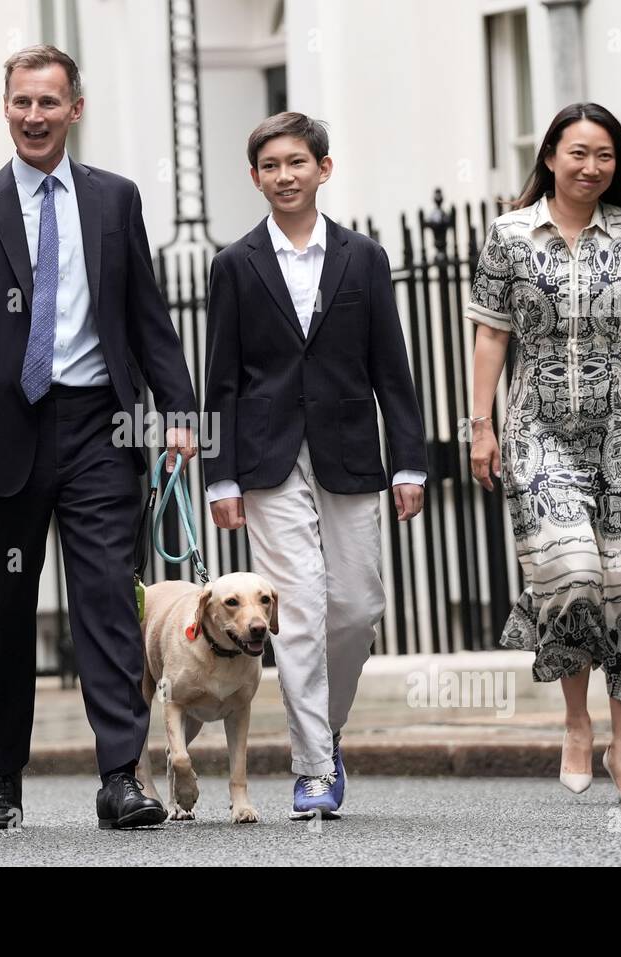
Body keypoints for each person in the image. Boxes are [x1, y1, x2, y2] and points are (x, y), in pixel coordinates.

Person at [0, 44, 197, 830]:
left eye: (49, 102)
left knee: (109, 597)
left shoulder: (114, 200)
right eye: (21, 103)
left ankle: (121, 774)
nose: (34, 116)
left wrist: (178, 410)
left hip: (98, 426)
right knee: (2, 606)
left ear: (75, 109)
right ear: (6, 108)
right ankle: (4, 773)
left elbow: (147, 314)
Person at [466, 102, 621, 803]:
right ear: (550, 157)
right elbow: (490, 336)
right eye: (578, 153)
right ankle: (576, 722)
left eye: (604, 155)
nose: (592, 167)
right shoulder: (510, 235)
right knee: (569, 571)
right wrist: (479, 425)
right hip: (537, 428)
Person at [203, 112, 427, 819]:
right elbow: (223, 379)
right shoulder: (234, 264)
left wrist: (410, 462)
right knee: (294, 610)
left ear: (323, 169)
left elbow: (391, 368)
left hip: (351, 451)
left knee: (357, 607)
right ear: (255, 177)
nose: (284, 175)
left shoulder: (364, 258)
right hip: (267, 459)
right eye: (270, 166)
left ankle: (323, 724)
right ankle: (314, 768)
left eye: (297, 162)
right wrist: (221, 474)